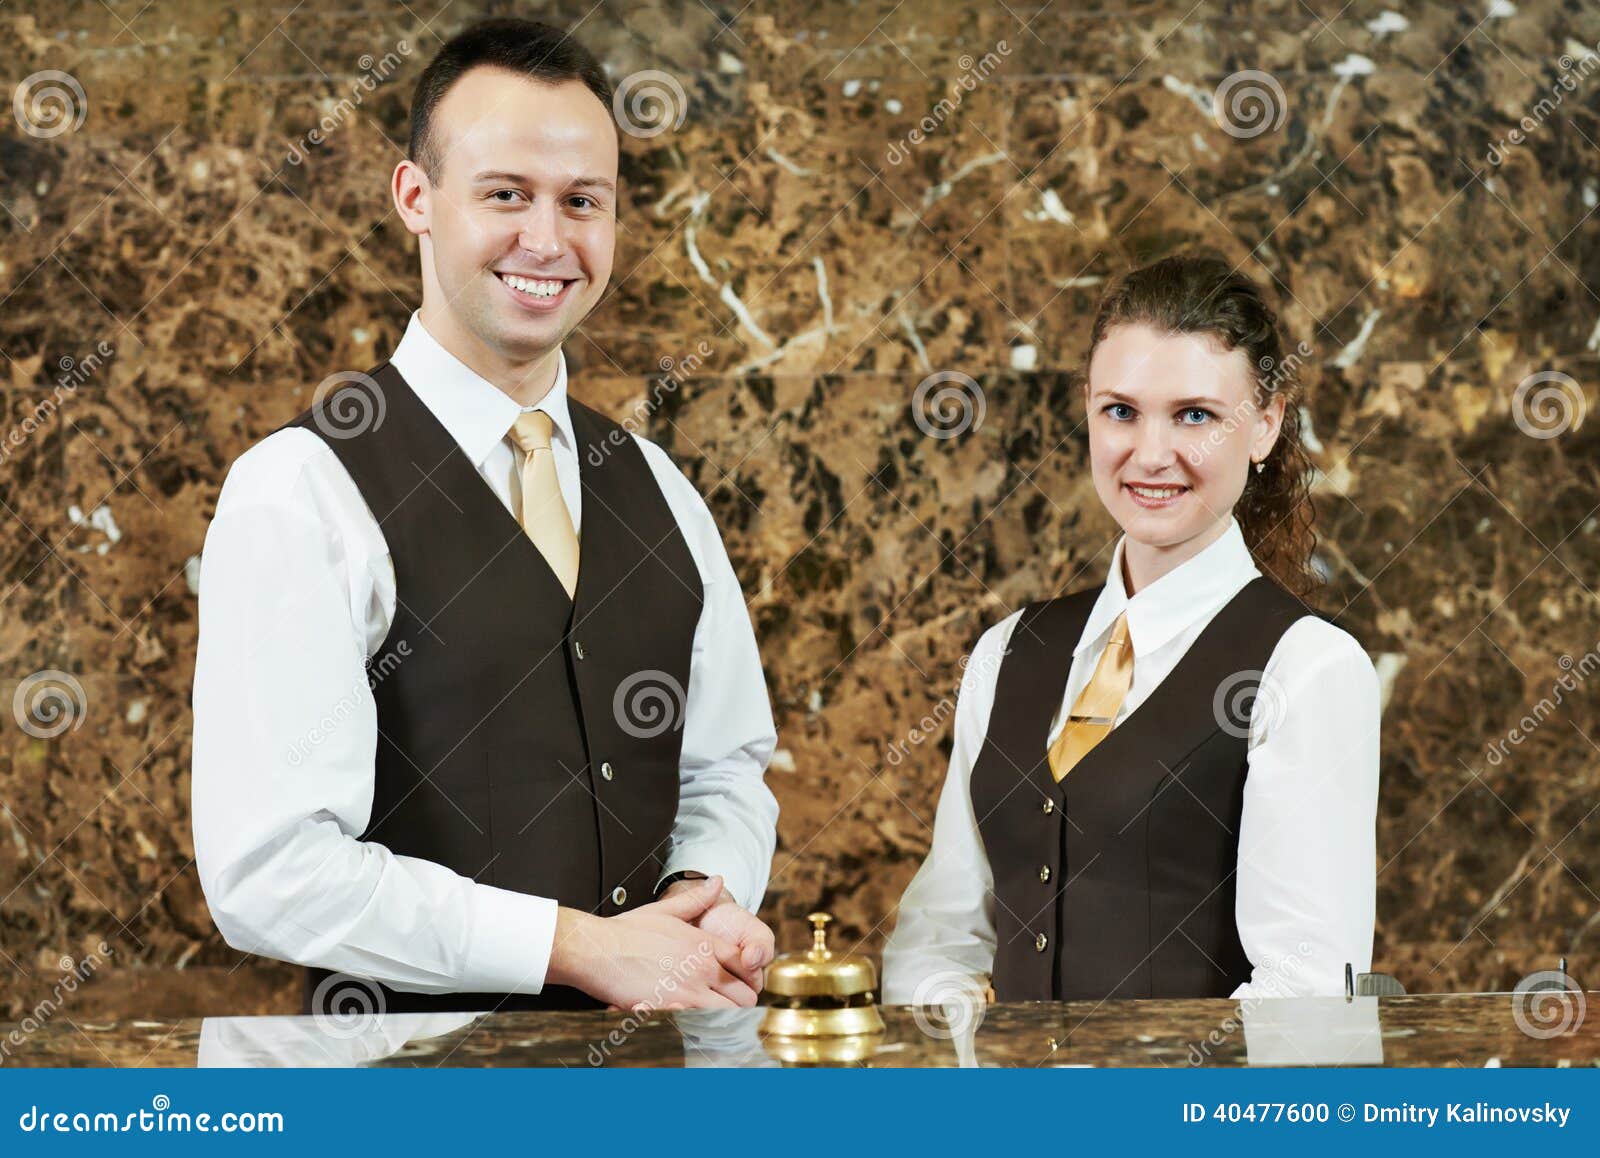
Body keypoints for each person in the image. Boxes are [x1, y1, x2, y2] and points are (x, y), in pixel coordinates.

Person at [192, 19, 778, 1016]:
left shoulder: (657, 487)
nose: (546, 241)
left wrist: (700, 900)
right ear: (415, 199)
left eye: (581, 201)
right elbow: (271, 871)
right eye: (505, 194)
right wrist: (578, 948)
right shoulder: (299, 489)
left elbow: (723, 767)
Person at [882, 254, 1380, 1005]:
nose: (1151, 455)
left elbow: (1304, 991)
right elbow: (940, 936)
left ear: (1265, 425)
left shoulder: (1307, 668)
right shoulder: (1007, 651)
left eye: (1195, 416)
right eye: (1121, 411)